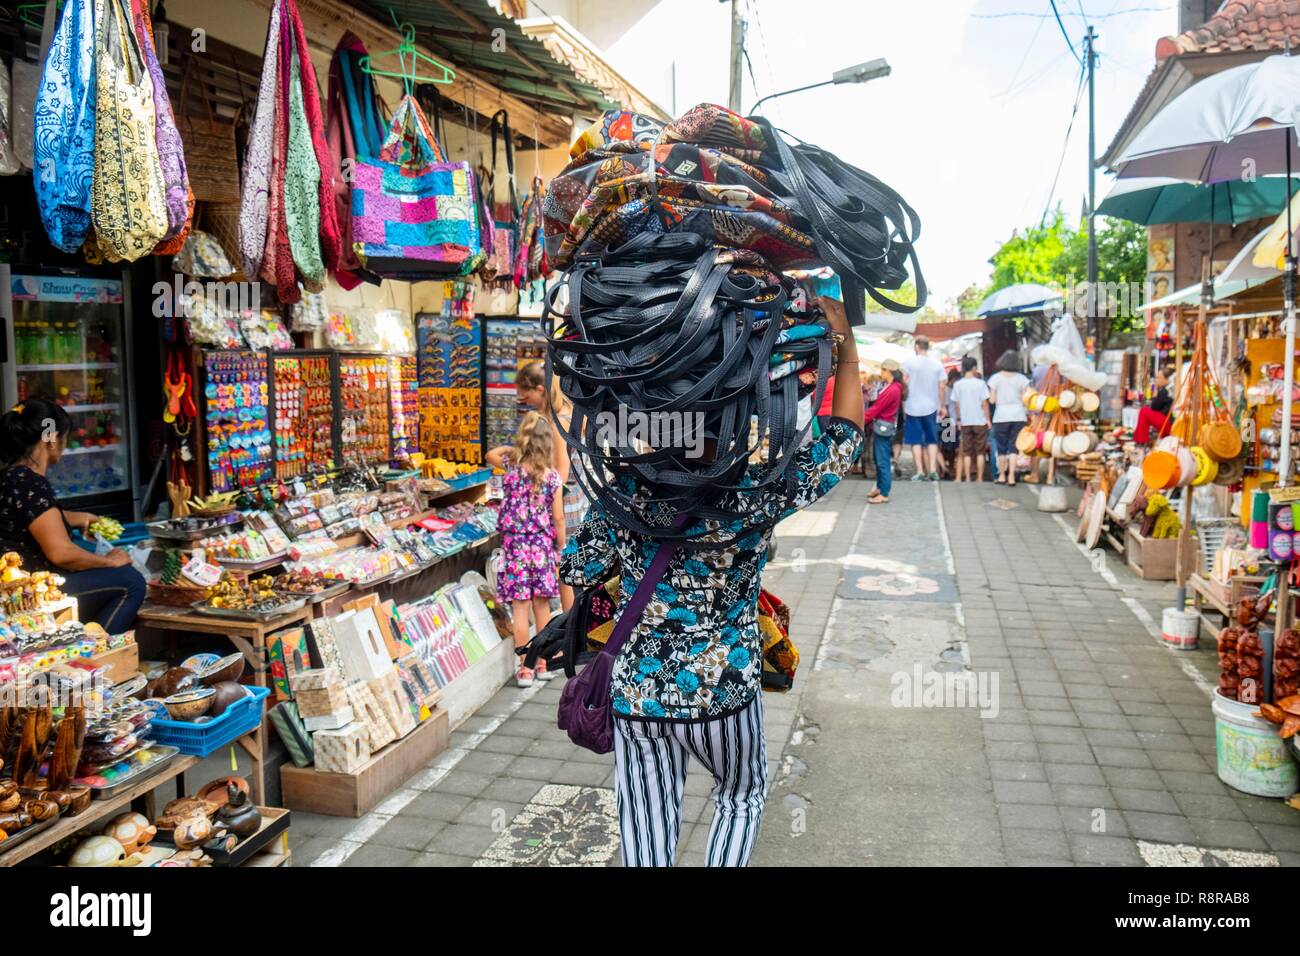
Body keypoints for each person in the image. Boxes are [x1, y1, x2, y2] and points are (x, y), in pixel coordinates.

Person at [560, 297, 863, 868]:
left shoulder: (623, 494)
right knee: (741, 794)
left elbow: (577, 570)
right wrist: (846, 352)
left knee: (646, 816)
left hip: (637, 693)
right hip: (724, 687)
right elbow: (843, 441)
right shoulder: (756, 493)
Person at [0, 399, 144, 633]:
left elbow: (34, 516)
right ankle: (97, 648)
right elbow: (62, 553)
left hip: (12, 587)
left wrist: (81, 517)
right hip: (32, 592)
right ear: (51, 439)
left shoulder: (10, 477)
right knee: (131, 581)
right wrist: (109, 561)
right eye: (64, 437)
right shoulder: (31, 483)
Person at [487, 413, 565, 687]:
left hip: (515, 548)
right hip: (541, 547)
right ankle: (543, 663)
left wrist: (512, 449)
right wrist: (561, 545)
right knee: (542, 607)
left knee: (520, 610)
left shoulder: (512, 468)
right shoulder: (552, 478)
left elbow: (490, 455)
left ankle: (525, 669)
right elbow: (558, 517)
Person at [514, 361, 583, 611]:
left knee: (565, 574)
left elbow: (560, 474)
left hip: (564, 506)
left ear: (540, 389)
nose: (526, 402)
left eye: (527, 396)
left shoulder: (558, 423)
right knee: (571, 573)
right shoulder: (570, 414)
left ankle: (570, 625)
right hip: (575, 502)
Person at [903, 335, 944, 481]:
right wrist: (942, 405)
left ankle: (920, 471)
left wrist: (903, 403)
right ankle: (932, 470)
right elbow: (941, 386)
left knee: (915, 440)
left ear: (916, 347)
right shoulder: (937, 364)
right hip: (931, 406)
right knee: (931, 439)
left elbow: (904, 383)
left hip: (912, 406)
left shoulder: (908, 363)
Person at [864, 361, 904, 504]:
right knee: (879, 458)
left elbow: (877, 407)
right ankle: (880, 488)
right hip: (883, 425)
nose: (881, 372)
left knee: (882, 461)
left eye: (883, 369)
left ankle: (884, 493)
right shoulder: (892, 387)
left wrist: (862, 419)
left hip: (883, 426)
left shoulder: (892, 389)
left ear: (889, 371)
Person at [988, 350, 1030, 486]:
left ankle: (1001, 475)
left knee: (1001, 447)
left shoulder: (995, 379)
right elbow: (1025, 400)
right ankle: (1011, 476)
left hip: (1001, 415)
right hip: (1018, 415)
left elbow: (992, 400)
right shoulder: (1022, 379)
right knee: (1014, 447)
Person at [950, 357, 991, 482]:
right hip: (979, 421)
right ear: (974, 368)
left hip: (965, 421)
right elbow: (985, 404)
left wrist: (959, 419)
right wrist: (988, 419)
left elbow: (957, 405)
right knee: (980, 452)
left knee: (966, 452)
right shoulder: (981, 384)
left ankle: (967, 478)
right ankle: (979, 478)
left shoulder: (957, 384)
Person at [1135, 366, 1175, 444]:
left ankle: (1141, 440)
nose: (1157, 380)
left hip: (1168, 423)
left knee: (1144, 411)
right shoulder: (1171, 389)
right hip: (1170, 421)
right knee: (1145, 411)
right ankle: (1143, 438)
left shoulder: (1165, 391)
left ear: (1167, 379)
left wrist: (1156, 391)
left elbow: (1154, 406)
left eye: (1159, 378)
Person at [940, 367, 961, 479]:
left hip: (954, 421)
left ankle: (950, 467)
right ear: (953, 379)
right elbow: (946, 406)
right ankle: (946, 467)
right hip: (949, 421)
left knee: (952, 447)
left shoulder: (954, 389)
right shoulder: (947, 390)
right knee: (947, 447)